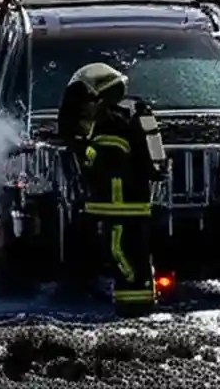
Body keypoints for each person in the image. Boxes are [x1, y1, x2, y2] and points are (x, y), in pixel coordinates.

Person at [57, 62, 168, 316]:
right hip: (129, 204)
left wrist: (81, 148)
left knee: (121, 254)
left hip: (119, 205)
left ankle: (133, 307)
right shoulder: (127, 117)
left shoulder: (112, 123)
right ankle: (134, 303)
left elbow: (106, 159)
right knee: (131, 253)